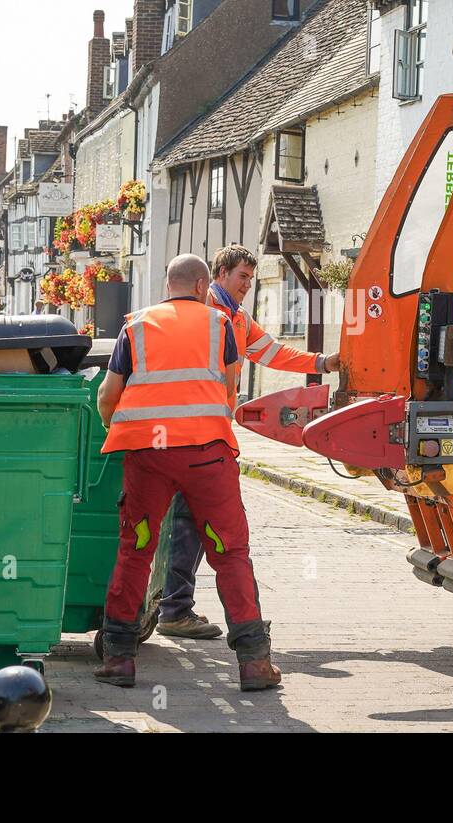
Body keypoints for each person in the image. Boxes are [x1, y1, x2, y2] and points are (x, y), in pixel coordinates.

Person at [94, 253, 281, 691]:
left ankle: (120, 658)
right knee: (230, 553)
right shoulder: (220, 326)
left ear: (168, 286)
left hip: (148, 457)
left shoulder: (135, 326)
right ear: (202, 286)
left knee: (137, 547)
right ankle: (254, 663)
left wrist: (116, 428)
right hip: (207, 456)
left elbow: (108, 394)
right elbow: (230, 391)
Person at [156, 244, 340, 640]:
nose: (247, 286)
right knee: (196, 523)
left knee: (188, 522)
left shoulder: (236, 318)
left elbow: (272, 352)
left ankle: (173, 605)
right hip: (193, 434)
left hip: (205, 433)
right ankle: (178, 609)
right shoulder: (207, 316)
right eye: (242, 277)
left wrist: (322, 363)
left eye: (252, 280)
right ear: (218, 275)